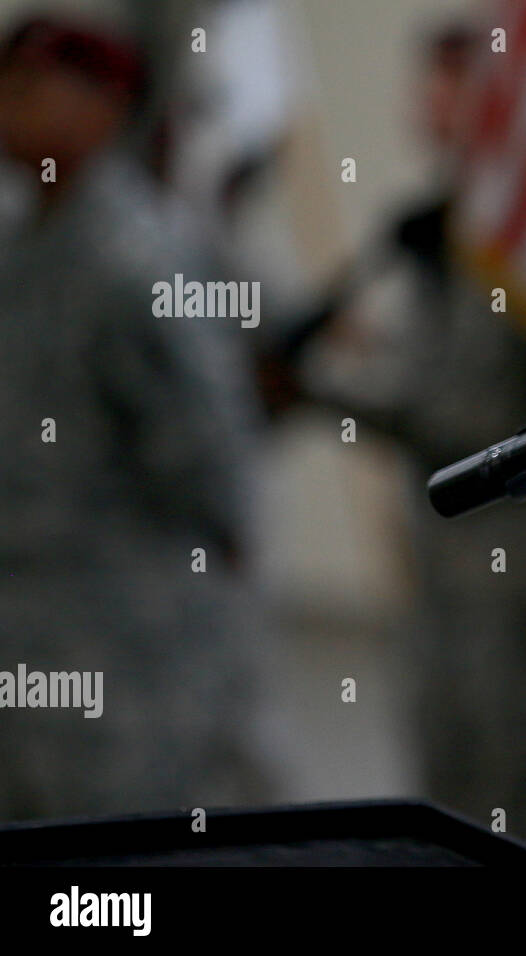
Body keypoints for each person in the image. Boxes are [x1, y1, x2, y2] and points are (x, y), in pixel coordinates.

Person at [0, 15, 278, 819]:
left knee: (115, 871)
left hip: (123, 638)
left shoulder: (136, 257)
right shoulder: (24, 245)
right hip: (29, 622)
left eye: (31, 88)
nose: (9, 105)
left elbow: (208, 449)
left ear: (105, 107)